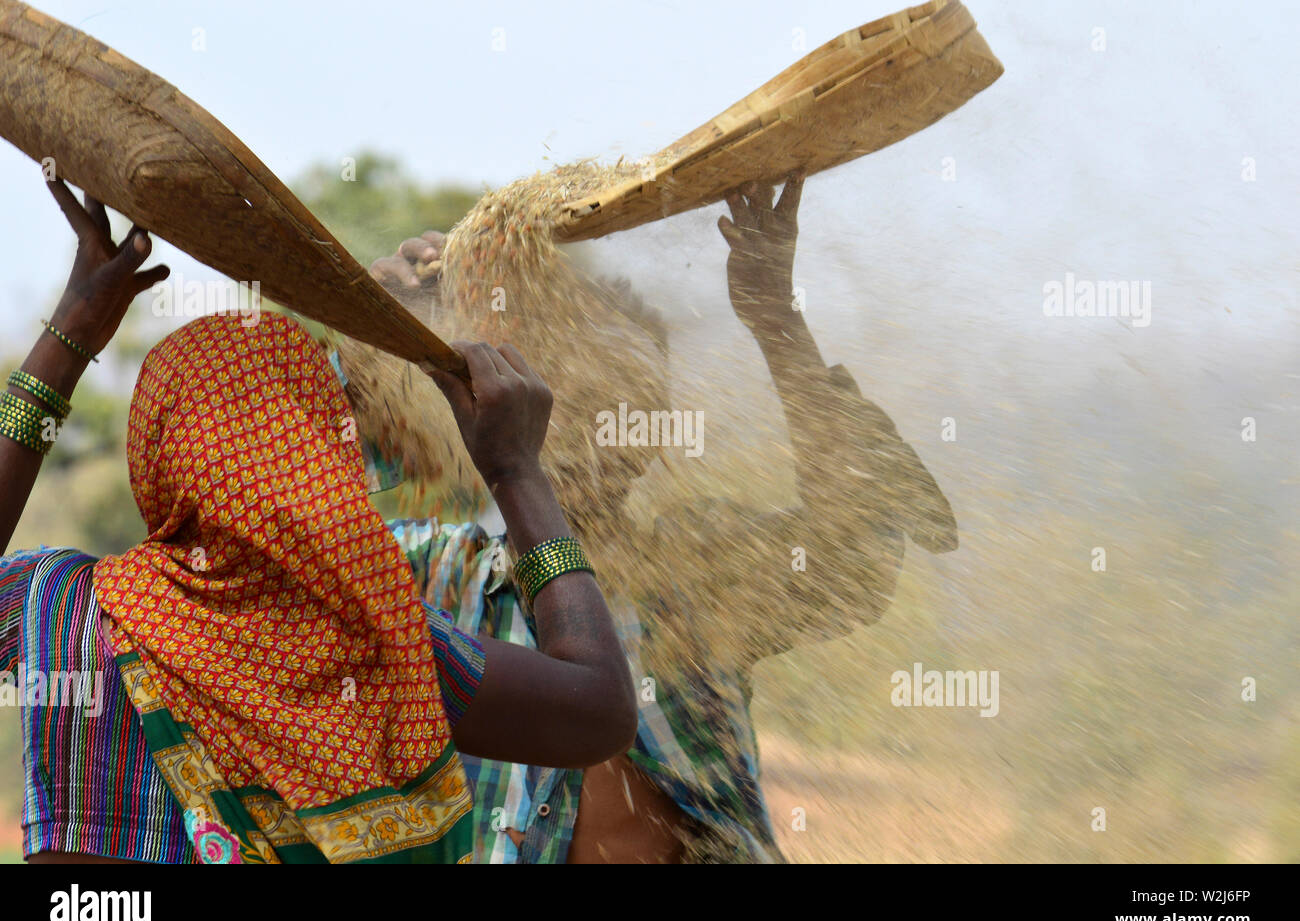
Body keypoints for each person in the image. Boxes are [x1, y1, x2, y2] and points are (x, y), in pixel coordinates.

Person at [0, 180, 636, 863]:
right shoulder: (366, 634)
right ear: (320, 458)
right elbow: (597, 712)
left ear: (152, 461)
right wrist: (515, 470)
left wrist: (72, 333)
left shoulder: (58, 610)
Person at [362, 174, 959, 862]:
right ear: (505, 401)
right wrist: (377, 350)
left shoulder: (693, 573)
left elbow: (855, 558)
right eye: (572, 378)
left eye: (628, 393)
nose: (600, 418)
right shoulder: (430, 575)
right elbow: (274, 536)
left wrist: (776, 319)